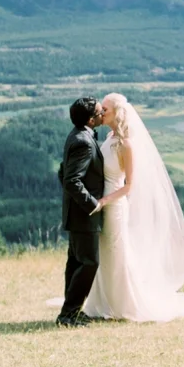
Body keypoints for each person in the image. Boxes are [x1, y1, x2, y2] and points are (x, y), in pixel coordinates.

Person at [82, 93, 184, 322]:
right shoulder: (108, 138)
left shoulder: (125, 144)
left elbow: (129, 185)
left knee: (118, 254)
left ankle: (125, 304)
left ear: (117, 113)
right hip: (102, 205)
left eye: (106, 110)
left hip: (115, 207)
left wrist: (104, 201)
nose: (101, 113)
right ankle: (102, 302)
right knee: (105, 254)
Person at [56, 96, 105, 327]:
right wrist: (92, 204)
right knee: (89, 263)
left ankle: (71, 312)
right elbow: (71, 180)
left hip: (75, 213)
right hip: (84, 215)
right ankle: (68, 314)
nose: (102, 113)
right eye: (99, 112)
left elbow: (62, 172)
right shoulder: (83, 141)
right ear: (90, 119)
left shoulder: (76, 135)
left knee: (76, 262)